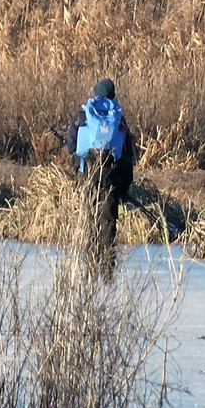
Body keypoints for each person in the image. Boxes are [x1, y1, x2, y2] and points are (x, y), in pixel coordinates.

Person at [65, 77, 135, 280]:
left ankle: (90, 270)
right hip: (111, 178)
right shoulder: (117, 117)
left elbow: (72, 146)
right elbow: (127, 153)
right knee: (108, 224)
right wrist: (124, 186)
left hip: (88, 176)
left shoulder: (83, 115)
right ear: (113, 95)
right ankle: (107, 271)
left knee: (90, 221)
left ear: (95, 93)